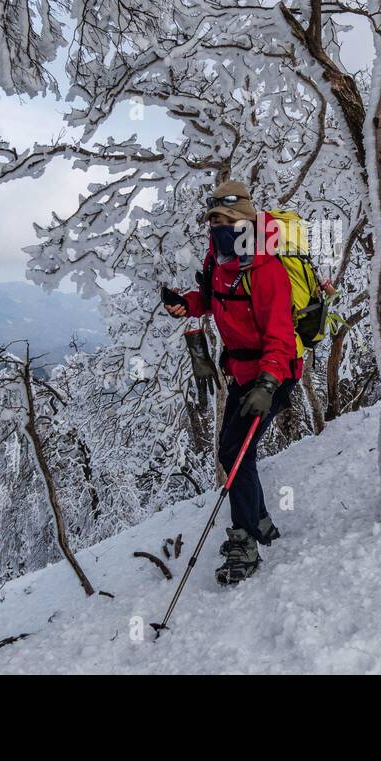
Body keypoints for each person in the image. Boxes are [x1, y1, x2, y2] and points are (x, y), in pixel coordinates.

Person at [162, 180, 301, 585]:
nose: (218, 228)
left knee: (235, 452)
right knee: (236, 451)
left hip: (274, 374)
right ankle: (258, 522)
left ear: (245, 222)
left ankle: (244, 544)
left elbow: (280, 335)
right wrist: (185, 304)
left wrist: (269, 382)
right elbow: (210, 297)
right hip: (242, 373)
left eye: (226, 221)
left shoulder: (267, 271)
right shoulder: (218, 261)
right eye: (214, 222)